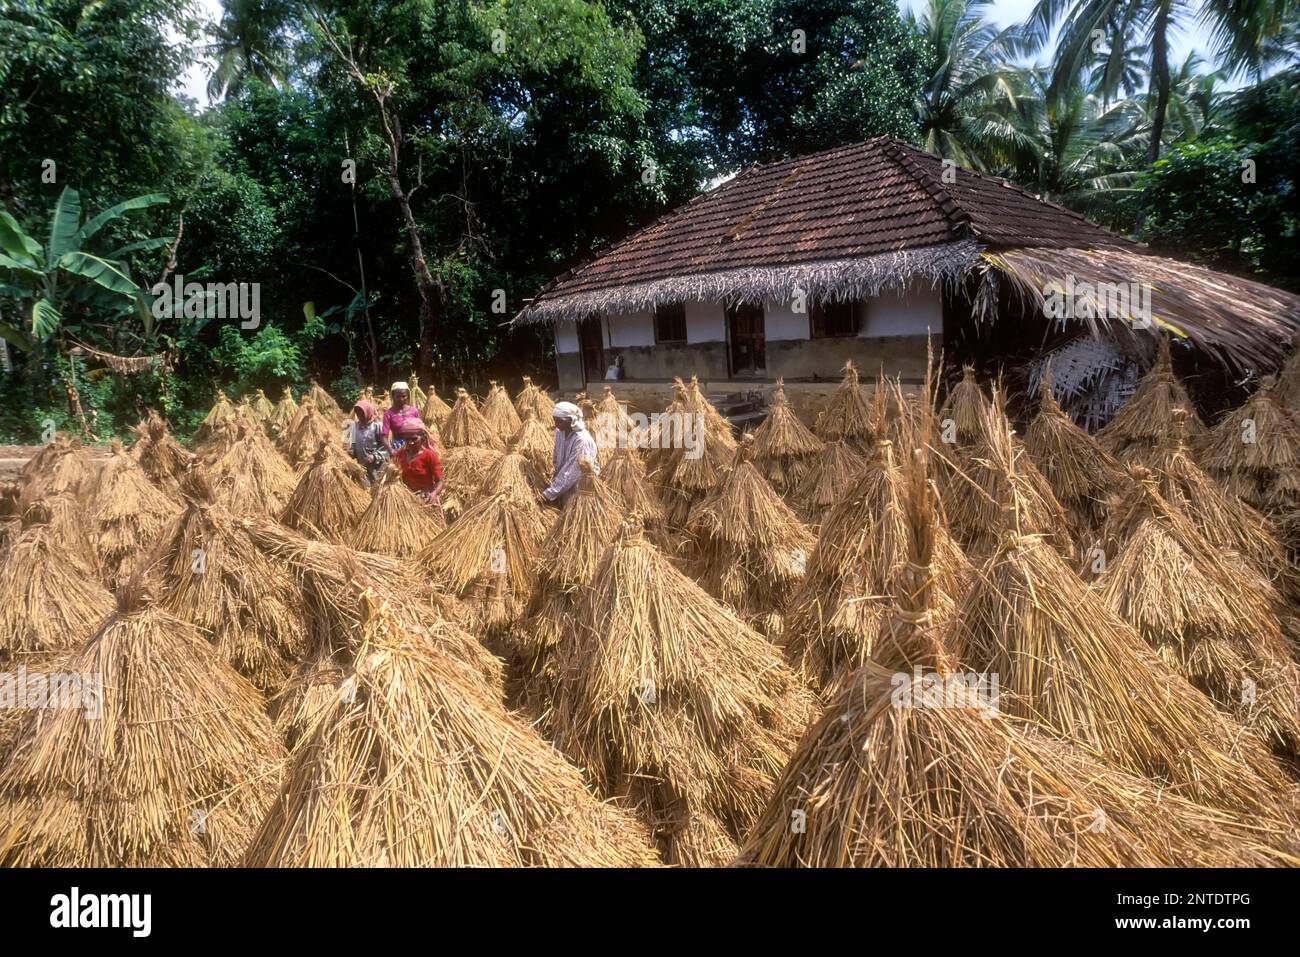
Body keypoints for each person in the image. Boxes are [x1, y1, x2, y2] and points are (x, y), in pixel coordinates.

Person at [540, 400, 600, 508]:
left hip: (580, 488)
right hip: (563, 484)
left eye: (560, 421)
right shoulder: (560, 432)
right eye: (555, 420)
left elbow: (573, 471)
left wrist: (548, 494)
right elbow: (557, 456)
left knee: (572, 513)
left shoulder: (582, 440)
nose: (556, 424)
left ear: (571, 420)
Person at [395, 421, 445, 522]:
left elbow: (440, 481)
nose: (410, 442)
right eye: (407, 439)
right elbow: (394, 472)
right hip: (407, 498)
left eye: (414, 439)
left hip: (426, 498)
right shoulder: (400, 454)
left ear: (422, 438)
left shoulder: (429, 455)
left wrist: (434, 494)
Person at [350, 399, 388, 486]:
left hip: (377, 467)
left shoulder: (377, 427)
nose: (360, 416)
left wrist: (374, 457)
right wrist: (352, 452)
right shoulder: (355, 427)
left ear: (368, 412)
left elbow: (386, 449)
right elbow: (354, 445)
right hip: (362, 468)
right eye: (358, 413)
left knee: (377, 487)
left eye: (362, 413)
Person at [383, 381, 424, 453]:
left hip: (415, 446)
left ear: (408, 395)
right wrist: (391, 450)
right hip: (398, 448)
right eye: (398, 396)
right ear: (393, 396)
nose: (401, 399)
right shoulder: (388, 414)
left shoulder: (414, 411)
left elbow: (421, 431)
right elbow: (384, 436)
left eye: (404, 396)